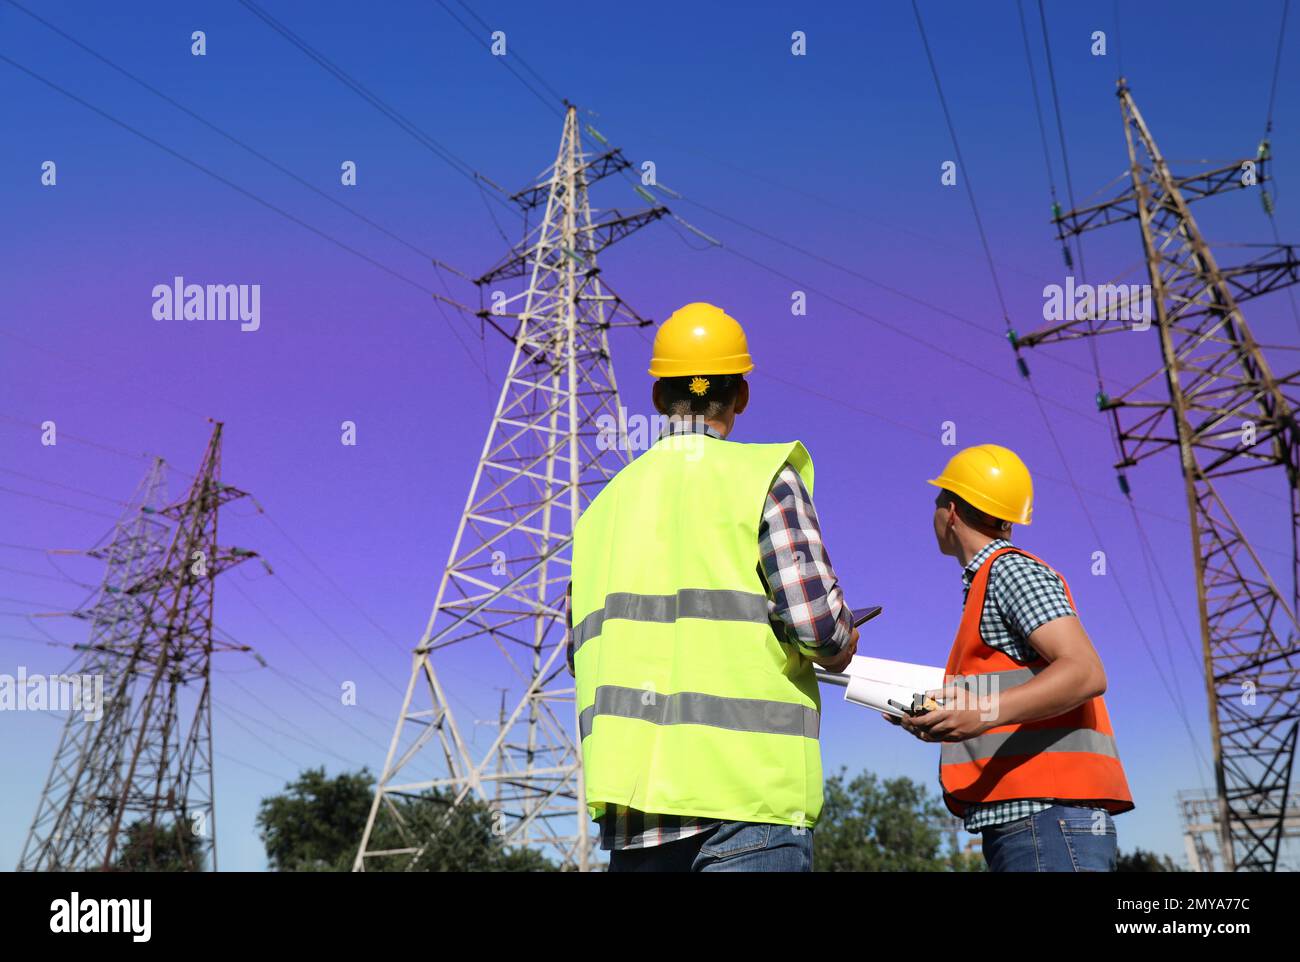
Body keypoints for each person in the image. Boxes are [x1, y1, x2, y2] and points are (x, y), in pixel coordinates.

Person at [566, 301, 857, 872]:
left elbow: (583, 659)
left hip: (637, 823)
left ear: (657, 399)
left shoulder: (599, 515)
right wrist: (843, 640)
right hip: (747, 806)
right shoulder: (765, 479)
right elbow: (819, 631)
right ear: (741, 396)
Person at [895, 443, 1133, 871]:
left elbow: (1085, 671)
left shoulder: (1010, 571)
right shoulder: (988, 582)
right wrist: (942, 713)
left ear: (950, 511)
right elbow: (1015, 683)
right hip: (1032, 823)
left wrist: (982, 712)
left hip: (1047, 819)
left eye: (936, 503)